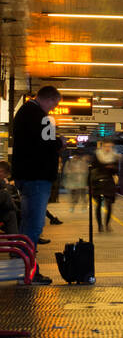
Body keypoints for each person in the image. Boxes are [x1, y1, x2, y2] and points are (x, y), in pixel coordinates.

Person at [10, 86, 62, 282]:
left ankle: (21, 262)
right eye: (54, 104)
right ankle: (29, 270)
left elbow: (36, 142)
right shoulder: (37, 115)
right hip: (36, 177)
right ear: (47, 100)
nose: (53, 109)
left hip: (28, 176)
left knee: (27, 224)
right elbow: (44, 145)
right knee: (34, 226)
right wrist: (59, 143)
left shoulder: (26, 113)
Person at [89, 140, 120, 233]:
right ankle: (100, 226)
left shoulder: (114, 157)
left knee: (109, 204)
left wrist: (112, 167)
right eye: (106, 146)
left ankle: (107, 225)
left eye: (110, 146)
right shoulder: (97, 155)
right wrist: (105, 166)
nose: (108, 148)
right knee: (98, 205)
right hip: (98, 182)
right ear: (103, 147)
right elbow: (93, 168)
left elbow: (116, 171)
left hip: (109, 182)